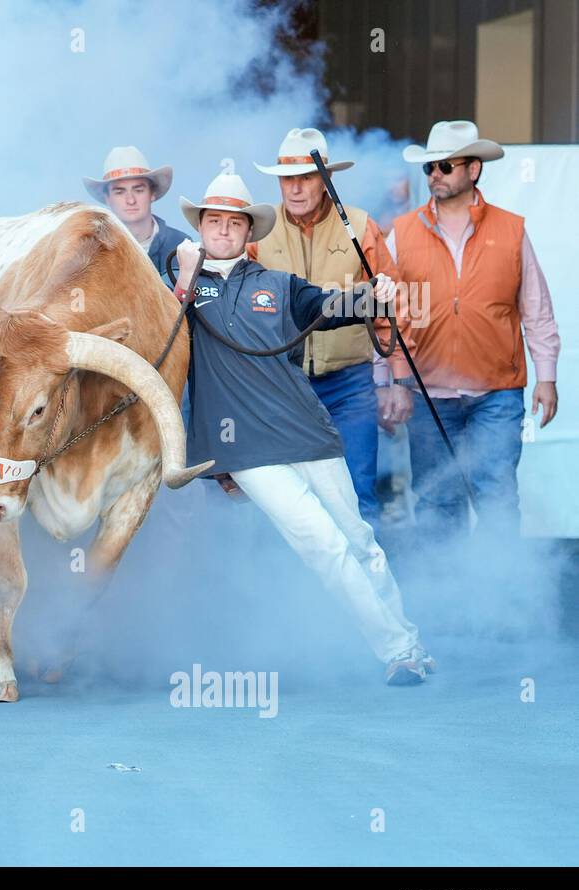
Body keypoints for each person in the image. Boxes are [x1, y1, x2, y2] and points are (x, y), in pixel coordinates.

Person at [172, 173, 434, 685]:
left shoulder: (277, 283)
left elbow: (328, 308)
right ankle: (398, 650)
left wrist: (372, 295)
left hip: (307, 431)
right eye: (213, 221)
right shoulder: (179, 285)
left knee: (359, 540)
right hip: (247, 449)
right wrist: (183, 276)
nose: (222, 231)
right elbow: (167, 346)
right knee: (323, 546)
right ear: (200, 228)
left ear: (248, 231)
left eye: (232, 222)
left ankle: (411, 641)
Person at [388, 120, 561, 542]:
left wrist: (548, 377)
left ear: (474, 170)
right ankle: (445, 602)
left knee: (497, 496)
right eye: (430, 168)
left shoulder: (511, 229)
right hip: (428, 394)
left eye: (445, 167)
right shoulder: (403, 232)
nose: (434, 175)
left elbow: (536, 308)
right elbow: (385, 316)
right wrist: (387, 382)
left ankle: (500, 600)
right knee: (435, 501)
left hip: (496, 395)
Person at [249, 128, 410, 526]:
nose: (296, 188)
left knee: (359, 497)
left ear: (326, 181)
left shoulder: (359, 224)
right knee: (292, 506)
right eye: (288, 179)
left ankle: (372, 588)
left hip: (350, 386)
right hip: (285, 387)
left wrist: (396, 381)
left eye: (306, 177)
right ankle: (300, 590)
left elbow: (391, 304)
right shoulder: (258, 232)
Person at [83, 145, 191, 277]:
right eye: (120, 192)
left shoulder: (181, 244)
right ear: (107, 199)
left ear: (152, 193)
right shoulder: (91, 250)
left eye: (138, 190)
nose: (130, 200)